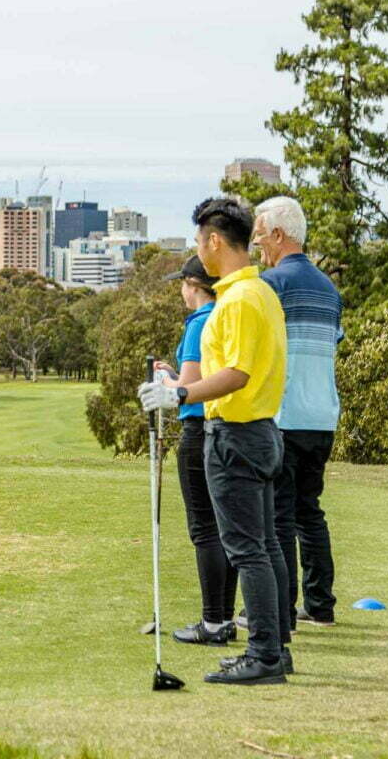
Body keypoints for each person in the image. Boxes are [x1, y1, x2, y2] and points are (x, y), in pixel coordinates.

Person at [138, 197, 291, 685]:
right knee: (262, 546)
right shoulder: (254, 292)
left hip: (238, 434)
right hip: (259, 431)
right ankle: (274, 650)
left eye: (199, 240)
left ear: (215, 241)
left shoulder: (243, 300)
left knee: (248, 549)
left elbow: (237, 373)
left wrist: (177, 393)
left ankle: (265, 656)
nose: (197, 250)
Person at [253, 196, 343, 629]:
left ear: (278, 234)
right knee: (310, 510)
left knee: (280, 518)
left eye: (259, 234)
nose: (256, 244)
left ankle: (281, 610)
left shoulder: (271, 284)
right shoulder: (329, 289)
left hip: (285, 416)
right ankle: (321, 606)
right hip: (322, 416)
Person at [153, 255, 240, 646]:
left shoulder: (198, 323)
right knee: (225, 528)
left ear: (194, 285)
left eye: (184, 284)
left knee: (204, 528)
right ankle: (224, 618)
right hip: (226, 427)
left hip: (197, 428)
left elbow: (188, 384)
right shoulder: (226, 315)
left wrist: (166, 381)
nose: (181, 291)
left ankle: (213, 622)